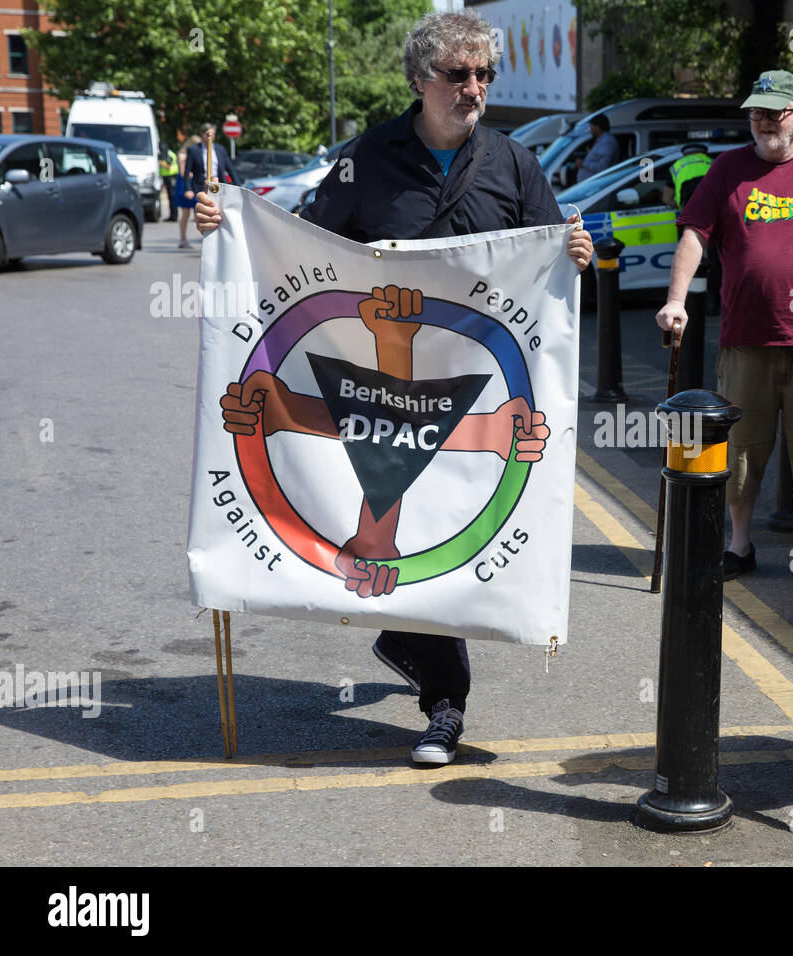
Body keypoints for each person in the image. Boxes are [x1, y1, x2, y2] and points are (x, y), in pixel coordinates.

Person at [195, 10, 593, 765]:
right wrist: (229, 227)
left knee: (443, 527)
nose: (473, 87)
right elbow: (301, 256)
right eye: (456, 74)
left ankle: (429, 674)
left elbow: (547, 263)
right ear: (419, 80)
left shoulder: (514, 165)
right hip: (376, 388)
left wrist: (575, 252)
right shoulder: (364, 159)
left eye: (483, 74)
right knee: (389, 529)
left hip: (469, 393)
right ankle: (445, 701)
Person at [654, 69, 793, 588]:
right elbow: (693, 235)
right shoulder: (728, 169)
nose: (763, 122)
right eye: (756, 112)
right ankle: (740, 545)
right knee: (743, 447)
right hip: (747, 338)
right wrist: (675, 300)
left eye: (774, 112)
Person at [183, 125, 239, 249]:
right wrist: (188, 189)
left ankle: (217, 242)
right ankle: (202, 239)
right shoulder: (193, 150)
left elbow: (230, 168)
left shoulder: (220, 149)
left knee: (217, 213)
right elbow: (187, 171)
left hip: (217, 185)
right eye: (207, 134)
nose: (210, 137)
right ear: (202, 134)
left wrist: (237, 185)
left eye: (212, 134)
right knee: (202, 213)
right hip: (200, 186)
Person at [575, 113, 618, 182]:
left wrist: (583, 164)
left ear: (597, 127)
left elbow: (602, 167)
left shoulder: (607, 142)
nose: (590, 130)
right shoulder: (601, 140)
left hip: (595, 186)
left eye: (591, 127)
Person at [175, 134, 200, 246]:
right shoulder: (183, 155)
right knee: (185, 214)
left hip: (194, 185)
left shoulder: (194, 154)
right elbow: (182, 172)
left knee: (198, 212)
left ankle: (204, 238)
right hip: (184, 185)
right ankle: (183, 239)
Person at [159, 143, 179, 221]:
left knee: (172, 197)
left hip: (171, 177)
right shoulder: (166, 153)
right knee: (171, 197)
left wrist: (160, 162)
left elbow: (168, 166)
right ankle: (172, 215)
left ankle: (174, 216)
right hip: (167, 177)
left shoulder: (169, 154)